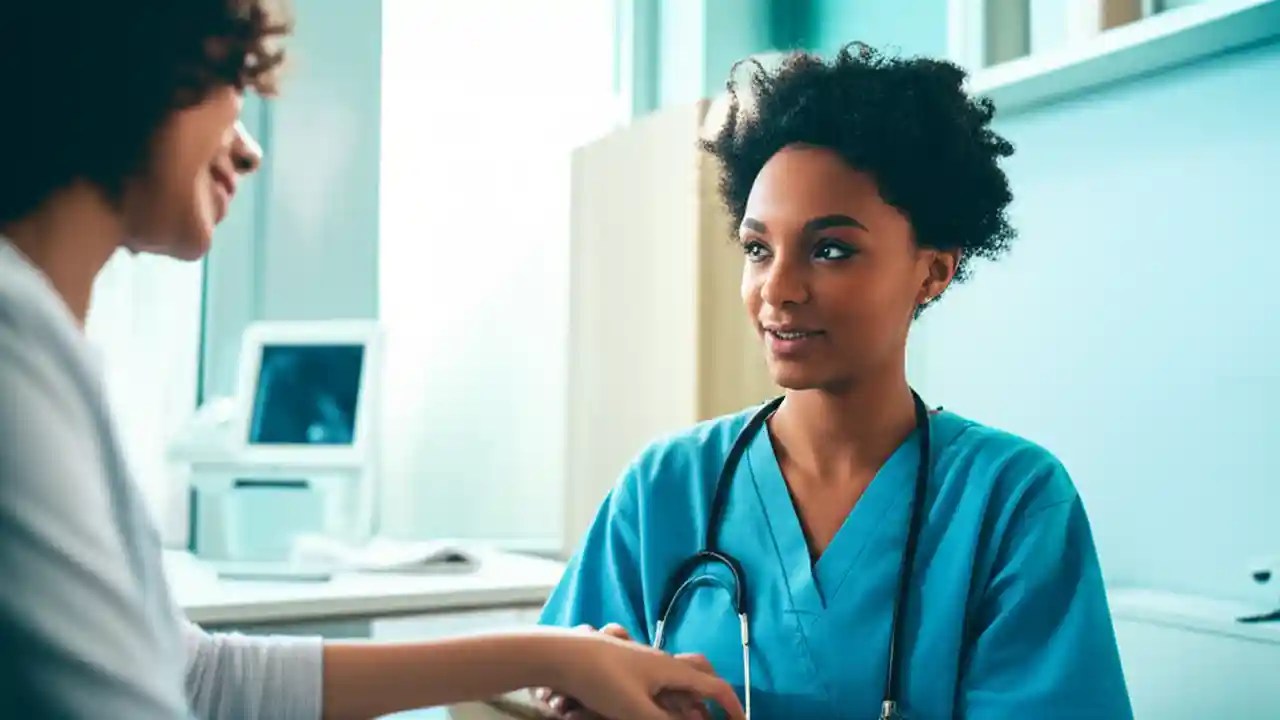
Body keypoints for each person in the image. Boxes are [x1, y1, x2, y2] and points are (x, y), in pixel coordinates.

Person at [0, 2, 745, 719]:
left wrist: (549, 656)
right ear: (142, 66)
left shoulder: (41, 348)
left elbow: (194, 676)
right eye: (231, 82)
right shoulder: (15, 348)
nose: (249, 146)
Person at [536, 44, 1134, 719]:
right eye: (759, 249)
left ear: (932, 272)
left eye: (830, 250)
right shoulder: (664, 488)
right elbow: (557, 679)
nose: (778, 290)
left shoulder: (1010, 501)